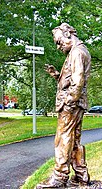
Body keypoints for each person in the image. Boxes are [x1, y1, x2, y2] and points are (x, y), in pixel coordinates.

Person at [36, 23, 91, 188]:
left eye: (59, 42)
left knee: (63, 139)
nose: (58, 46)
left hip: (71, 104)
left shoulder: (77, 52)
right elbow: (72, 79)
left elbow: (79, 80)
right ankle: (82, 175)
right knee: (74, 140)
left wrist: (69, 100)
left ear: (68, 34)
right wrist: (57, 76)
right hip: (77, 103)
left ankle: (59, 176)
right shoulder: (79, 51)